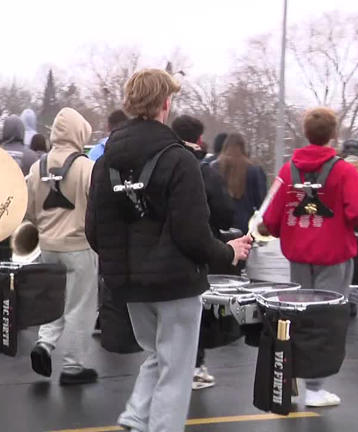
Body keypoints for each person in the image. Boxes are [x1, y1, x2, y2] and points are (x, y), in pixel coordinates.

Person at [87, 69, 251, 431]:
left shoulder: (103, 162)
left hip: (129, 285)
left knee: (159, 356)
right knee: (176, 370)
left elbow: (94, 232)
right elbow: (193, 234)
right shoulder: (179, 160)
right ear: (166, 103)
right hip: (175, 283)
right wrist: (228, 253)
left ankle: (134, 418)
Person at [260, 107, 358, 407]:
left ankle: (293, 376)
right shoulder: (344, 171)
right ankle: (316, 388)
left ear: (305, 132)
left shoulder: (287, 171)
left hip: (298, 256)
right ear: (333, 135)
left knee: (298, 318)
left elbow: (269, 218)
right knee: (328, 321)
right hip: (334, 256)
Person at [26, 107, 100, 385]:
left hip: (47, 247)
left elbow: (30, 211)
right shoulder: (86, 167)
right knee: (80, 307)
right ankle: (73, 367)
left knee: (53, 302)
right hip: (79, 247)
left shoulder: (37, 167)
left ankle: (44, 345)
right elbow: (98, 208)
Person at [171, 114, 234, 390]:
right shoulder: (203, 170)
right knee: (193, 311)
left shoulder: (159, 163)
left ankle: (166, 363)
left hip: (161, 249)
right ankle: (194, 366)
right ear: (198, 139)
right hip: (196, 250)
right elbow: (224, 214)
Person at [212, 133, 267, 235]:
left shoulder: (213, 168)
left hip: (218, 227)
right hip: (245, 227)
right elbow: (261, 203)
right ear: (243, 148)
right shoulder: (254, 170)